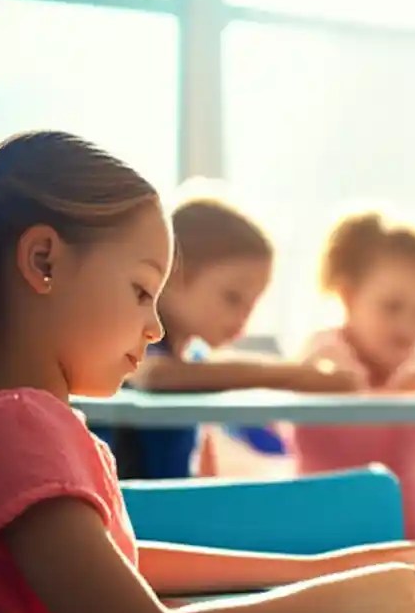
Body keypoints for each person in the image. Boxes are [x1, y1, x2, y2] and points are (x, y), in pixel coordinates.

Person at [0, 131, 415, 613]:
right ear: (43, 261)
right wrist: (340, 598)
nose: (154, 326)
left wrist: (324, 569)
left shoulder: (29, 425)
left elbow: (121, 565)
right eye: (139, 290)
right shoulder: (20, 428)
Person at [125, 193, 359, 478]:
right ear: (171, 276)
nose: (242, 323)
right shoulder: (133, 336)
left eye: (250, 306)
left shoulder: (192, 357)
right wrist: (293, 375)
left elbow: (264, 442)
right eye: (232, 298)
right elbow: (153, 375)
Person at [292, 211, 415, 553]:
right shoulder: (322, 356)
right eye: (392, 307)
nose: (408, 325)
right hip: (324, 544)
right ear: (347, 297)